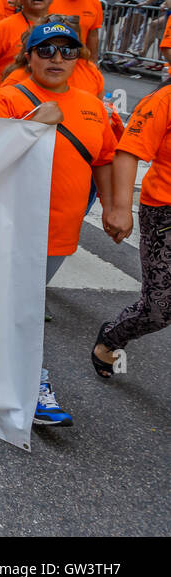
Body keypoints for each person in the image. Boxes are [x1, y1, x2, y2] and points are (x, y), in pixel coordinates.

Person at [0, 21, 119, 427]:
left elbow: (104, 158)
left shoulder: (93, 105)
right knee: (21, 307)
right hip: (7, 226)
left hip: (59, 234)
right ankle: (32, 385)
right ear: (29, 56)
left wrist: (113, 207)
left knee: (15, 305)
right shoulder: (5, 99)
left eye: (67, 51)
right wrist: (34, 120)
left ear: (79, 57)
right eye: (46, 50)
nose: (57, 59)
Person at [96, 83, 171, 377]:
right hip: (164, 214)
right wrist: (120, 209)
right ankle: (112, 338)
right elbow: (128, 151)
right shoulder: (162, 100)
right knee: (159, 310)